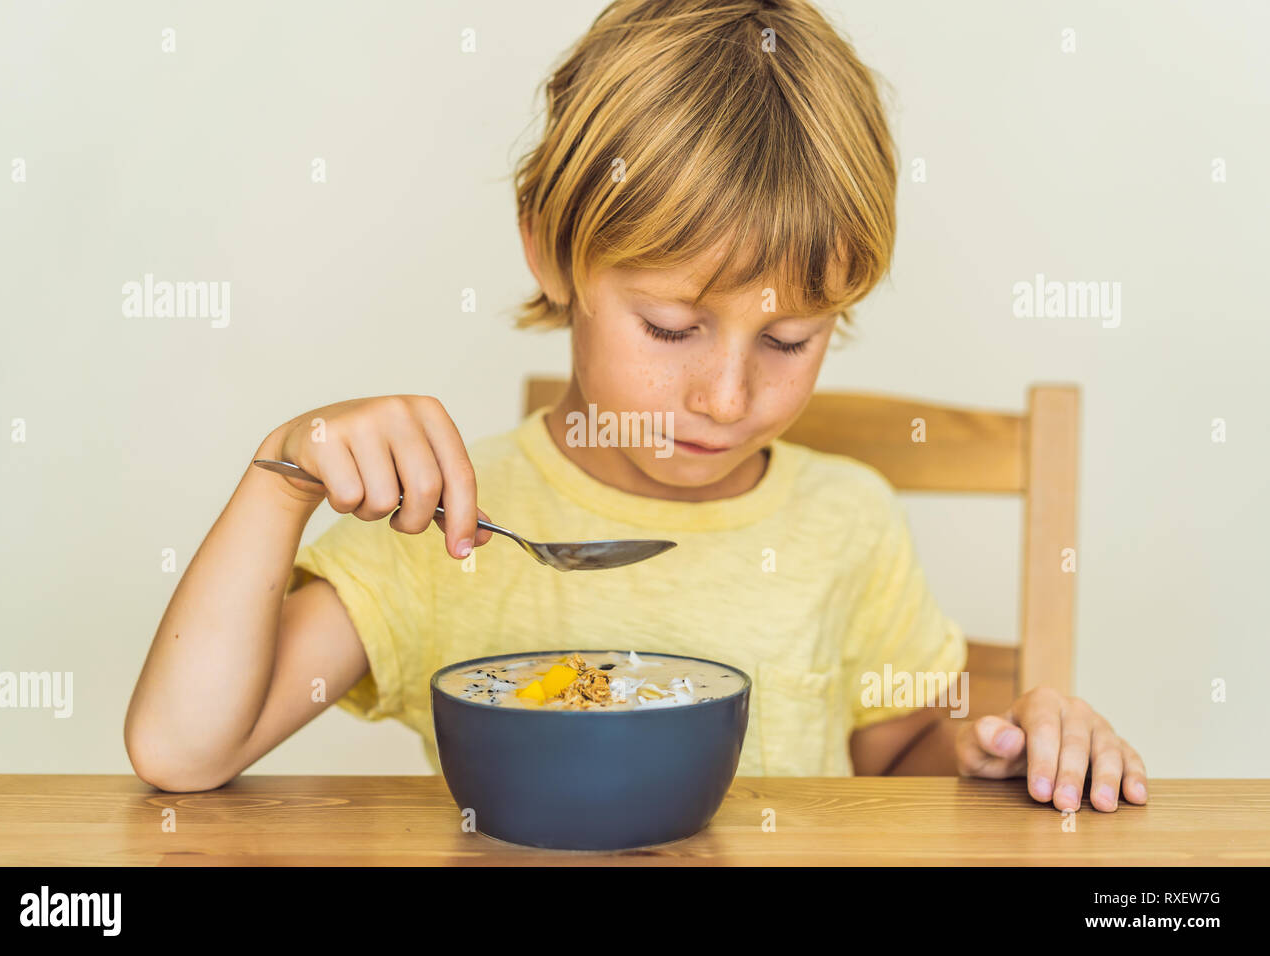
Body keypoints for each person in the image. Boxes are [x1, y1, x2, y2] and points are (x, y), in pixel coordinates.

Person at [125, 0, 1147, 814]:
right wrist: (282, 475)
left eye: (790, 339)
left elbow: (901, 752)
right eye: (670, 327)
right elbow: (181, 748)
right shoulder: (445, 526)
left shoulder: (851, 520)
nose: (727, 395)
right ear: (551, 249)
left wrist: (998, 747)